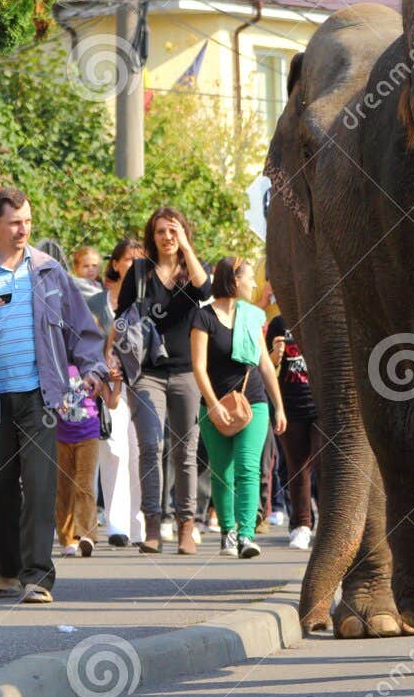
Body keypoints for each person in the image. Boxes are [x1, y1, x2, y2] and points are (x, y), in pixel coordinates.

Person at [0, 188, 108, 604]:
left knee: (40, 487)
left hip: (41, 397)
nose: (24, 230)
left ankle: (38, 577)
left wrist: (93, 368)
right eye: (15, 223)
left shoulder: (49, 271)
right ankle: (7, 568)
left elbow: (82, 328)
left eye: (27, 222)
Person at [117, 207, 213, 555]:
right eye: (160, 231)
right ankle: (154, 524)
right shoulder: (140, 272)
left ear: (183, 233)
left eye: (173, 231)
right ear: (151, 236)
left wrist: (187, 250)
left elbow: (206, 290)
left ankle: (187, 524)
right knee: (151, 446)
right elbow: (121, 318)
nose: (167, 237)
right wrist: (117, 356)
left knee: (186, 451)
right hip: (147, 373)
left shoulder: (193, 272)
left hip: (187, 372)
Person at [191, 256, 286, 559]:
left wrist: (279, 407)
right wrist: (213, 405)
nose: (255, 284)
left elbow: (265, 366)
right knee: (222, 472)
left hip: (253, 401)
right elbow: (198, 367)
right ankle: (227, 533)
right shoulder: (203, 317)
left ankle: (246, 535)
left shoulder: (253, 316)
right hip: (214, 404)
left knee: (248, 467)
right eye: (249, 278)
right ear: (233, 280)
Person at [98, 238, 144, 548]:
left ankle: (139, 522)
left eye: (140, 259)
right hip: (105, 385)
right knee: (113, 452)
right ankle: (116, 525)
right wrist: (104, 366)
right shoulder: (96, 303)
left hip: (140, 385)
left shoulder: (148, 301)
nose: (134, 264)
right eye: (129, 259)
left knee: (139, 454)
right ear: (116, 263)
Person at [266, 310, 319, 549]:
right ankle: (301, 525)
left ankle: (330, 523)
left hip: (320, 405)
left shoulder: (319, 316)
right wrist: (275, 354)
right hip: (291, 405)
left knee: (326, 465)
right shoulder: (279, 322)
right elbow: (267, 366)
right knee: (297, 468)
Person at [54, 358, 112, 558]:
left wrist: (117, 381)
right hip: (60, 435)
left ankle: (87, 535)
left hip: (88, 433)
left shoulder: (94, 369)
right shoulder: (55, 363)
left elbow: (111, 402)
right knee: (64, 488)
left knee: (84, 484)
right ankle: (67, 538)